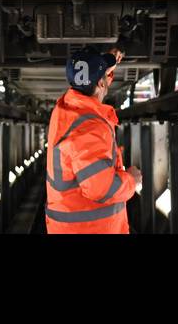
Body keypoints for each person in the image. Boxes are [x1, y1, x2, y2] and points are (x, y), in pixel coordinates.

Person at [44, 45, 141, 234]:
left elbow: (92, 88)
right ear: (101, 84)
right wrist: (132, 180)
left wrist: (105, 71)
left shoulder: (65, 108)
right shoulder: (92, 127)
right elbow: (100, 188)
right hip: (89, 229)